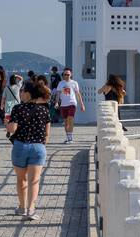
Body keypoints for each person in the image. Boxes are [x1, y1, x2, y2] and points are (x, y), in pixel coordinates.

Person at [6, 81, 50, 220]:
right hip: (38, 147)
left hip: (20, 146)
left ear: (27, 93)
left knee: (21, 179)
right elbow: (47, 134)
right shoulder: (44, 110)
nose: (20, 93)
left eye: (22, 91)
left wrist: (7, 125)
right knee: (34, 180)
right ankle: (31, 210)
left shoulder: (18, 108)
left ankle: (22, 207)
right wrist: (41, 144)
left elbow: (12, 129)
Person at [53, 67, 85, 143]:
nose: (66, 76)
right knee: (66, 121)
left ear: (71, 74)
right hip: (63, 105)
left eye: (68, 74)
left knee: (70, 119)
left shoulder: (74, 83)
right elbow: (58, 94)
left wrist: (82, 105)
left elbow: (78, 94)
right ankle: (68, 137)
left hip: (72, 103)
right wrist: (57, 102)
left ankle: (70, 138)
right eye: (65, 74)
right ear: (63, 75)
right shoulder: (61, 83)